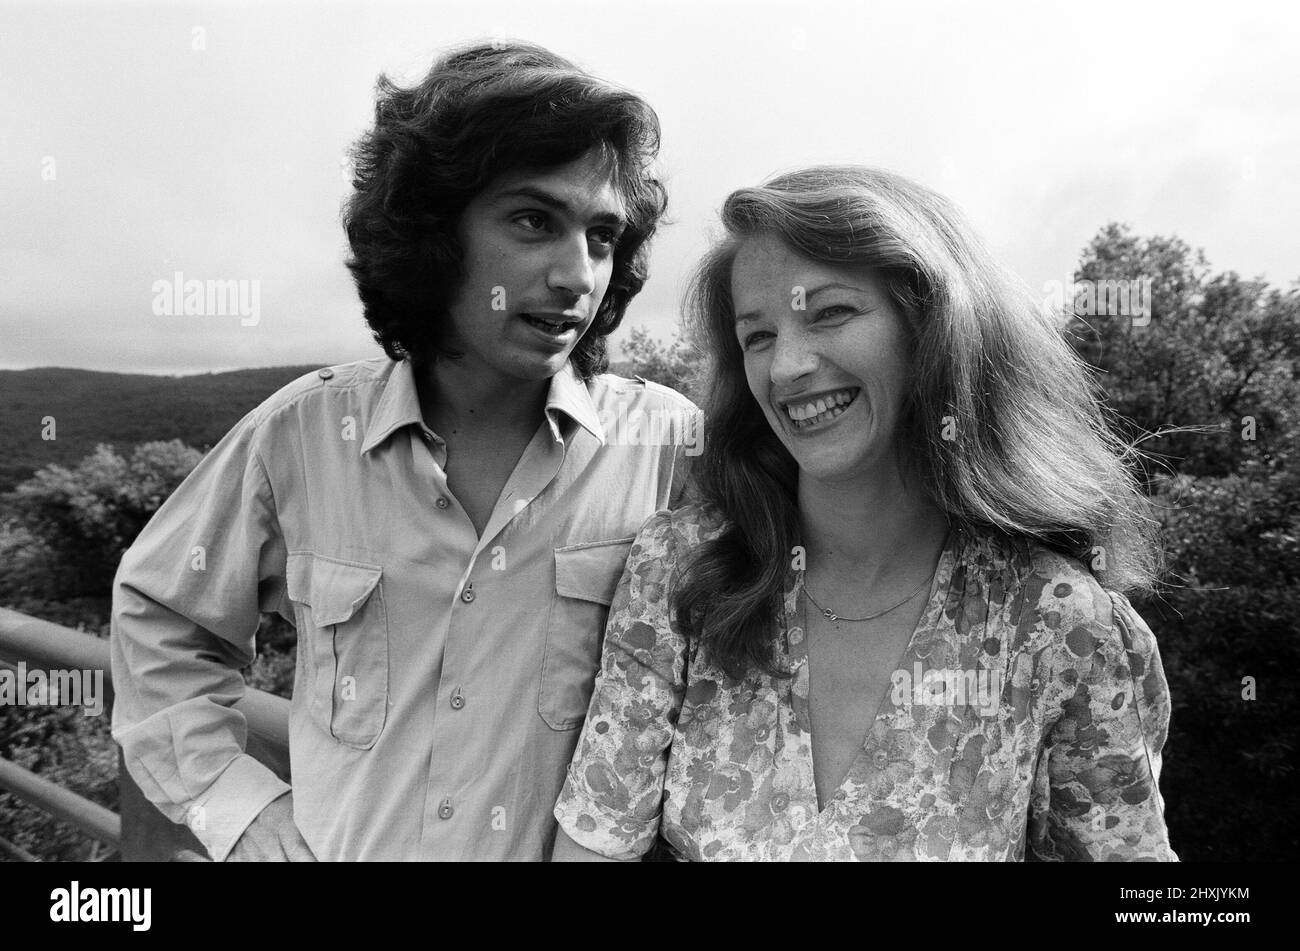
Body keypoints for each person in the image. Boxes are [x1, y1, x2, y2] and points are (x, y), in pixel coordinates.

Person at [110, 40, 700, 861]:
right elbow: (160, 616)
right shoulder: (303, 435)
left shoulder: (669, 445)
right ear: (433, 231)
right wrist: (238, 806)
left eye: (601, 235)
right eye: (533, 220)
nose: (577, 273)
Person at [553, 165, 1178, 861]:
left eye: (830, 313)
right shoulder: (679, 571)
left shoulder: (1063, 626)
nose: (787, 366)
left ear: (936, 327)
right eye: (757, 336)